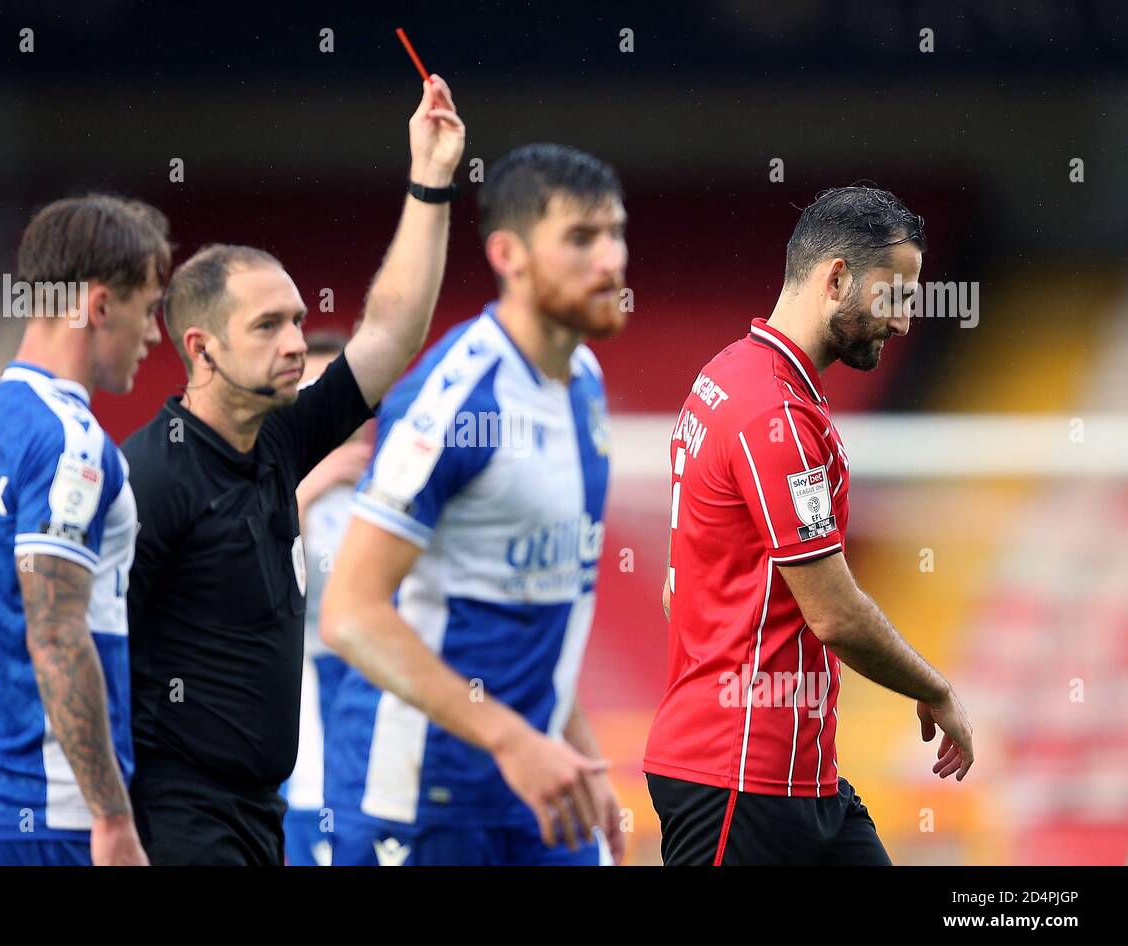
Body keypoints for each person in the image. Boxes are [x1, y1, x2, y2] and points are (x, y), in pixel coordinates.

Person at [121, 75, 465, 865]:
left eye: (299, 321)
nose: (292, 343)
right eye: (268, 325)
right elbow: (91, 649)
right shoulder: (151, 477)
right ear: (201, 347)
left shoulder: (277, 439)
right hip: (175, 822)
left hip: (260, 816)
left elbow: (388, 334)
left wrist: (431, 178)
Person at [645, 185, 975, 865]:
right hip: (737, 782)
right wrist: (932, 685)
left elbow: (683, 587)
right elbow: (832, 613)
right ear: (837, 278)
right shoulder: (777, 416)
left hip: (794, 779)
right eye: (896, 296)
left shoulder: (726, 376)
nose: (907, 321)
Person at [320, 143, 629, 866]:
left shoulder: (583, 380)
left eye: (615, 233)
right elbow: (350, 613)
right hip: (426, 805)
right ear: (508, 254)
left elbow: (550, 600)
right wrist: (514, 739)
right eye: (581, 239)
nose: (610, 260)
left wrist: (575, 753)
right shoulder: (454, 401)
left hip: (539, 793)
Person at [0, 194, 168, 866]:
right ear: (98, 307)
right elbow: (57, 632)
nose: (155, 335)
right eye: (148, 309)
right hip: (51, 816)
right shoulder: (68, 440)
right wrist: (113, 817)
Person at [281, 330, 373, 866]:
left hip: (378, 698)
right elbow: (256, 587)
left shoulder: (397, 485)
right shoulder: (273, 482)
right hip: (301, 701)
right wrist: (305, 491)